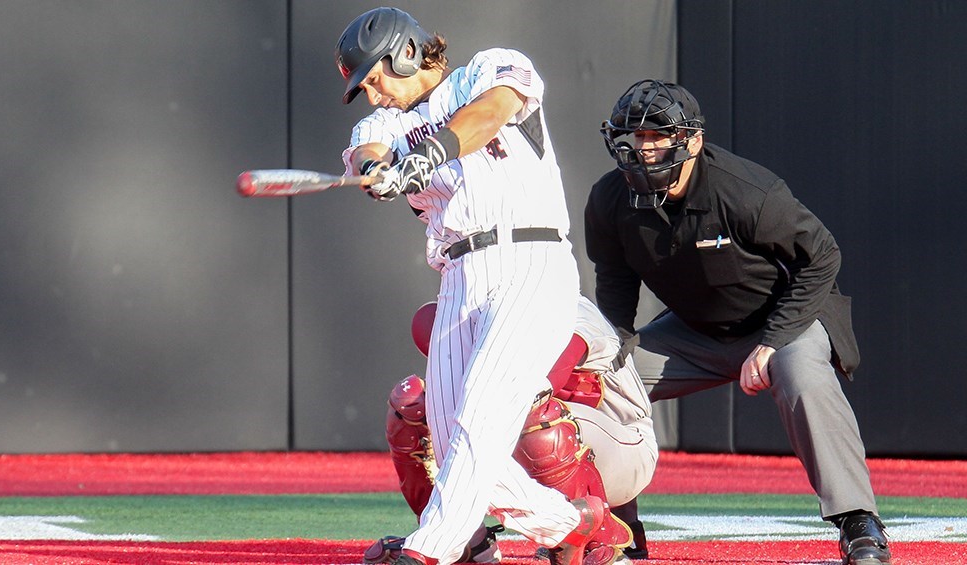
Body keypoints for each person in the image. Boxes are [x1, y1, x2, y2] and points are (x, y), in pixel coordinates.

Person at [335, 7, 617, 565]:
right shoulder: (383, 123)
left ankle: (430, 550)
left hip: (529, 258)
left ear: (406, 53)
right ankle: (572, 525)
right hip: (459, 276)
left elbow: (491, 113)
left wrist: (427, 155)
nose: (373, 93)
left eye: (374, 77)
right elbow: (368, 149)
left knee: (480, 420)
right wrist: (379, 170)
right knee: (452, 444)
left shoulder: (487, 69)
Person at [584, 79, 891, 565]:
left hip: (779, 320)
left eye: (657, 136)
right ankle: (615, 528)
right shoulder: (610, 198)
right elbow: (615, 282)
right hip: (694, 332)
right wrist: (612, 349)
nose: (643, 149)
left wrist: (773, 341)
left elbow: (822, 256)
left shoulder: (745, 191)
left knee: (804, 376)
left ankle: (858, 520)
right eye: (636, 136)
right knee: (597, 385)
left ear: (692, 142)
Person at [365, 296, 658, 564]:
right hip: (538, 437)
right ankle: (460, 540)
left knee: (536, 415)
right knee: (412, 404)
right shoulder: (481, 307)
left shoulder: (565, 307)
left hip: (625, 449)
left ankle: (597, 540)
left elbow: (540, 387)